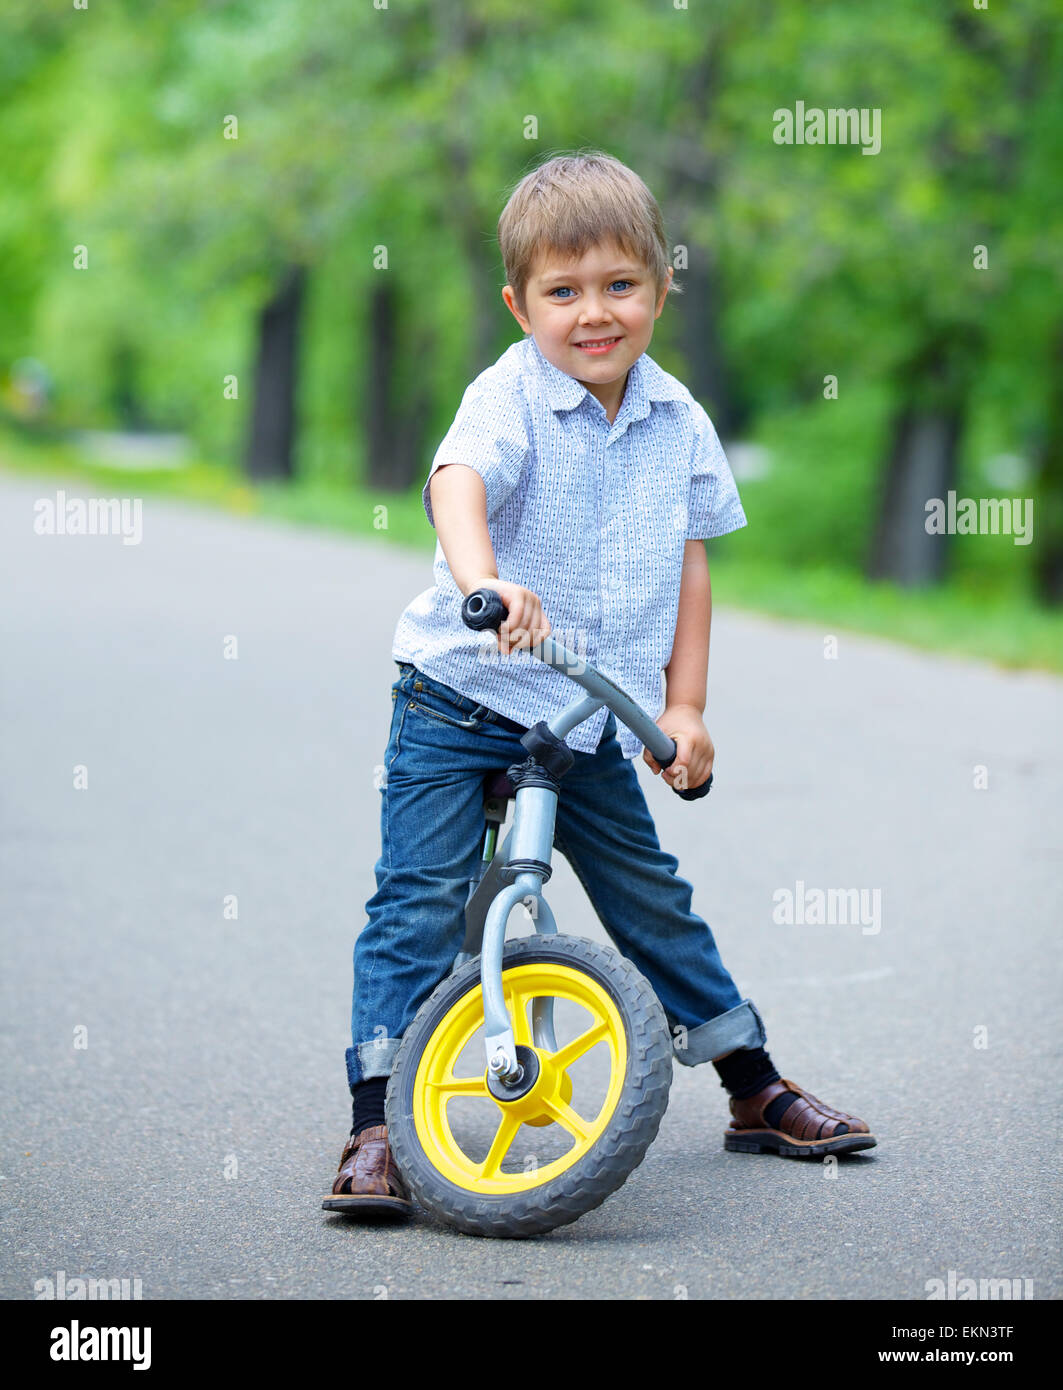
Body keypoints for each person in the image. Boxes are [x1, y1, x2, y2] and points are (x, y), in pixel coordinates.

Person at [323, 150, 875, 1218]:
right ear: (518, 303)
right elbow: (456, 480)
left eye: (619, 285)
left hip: (588, 716)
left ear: (661, 287)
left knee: (650, 903)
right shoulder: (510, 395)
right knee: (419, 900)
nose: (593, 313)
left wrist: (683, 708)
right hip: (462, 696)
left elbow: (690, 564)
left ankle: (751, 1085)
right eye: (561, 292)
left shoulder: (680, 423)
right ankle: (374, 1124)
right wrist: (487, 583)